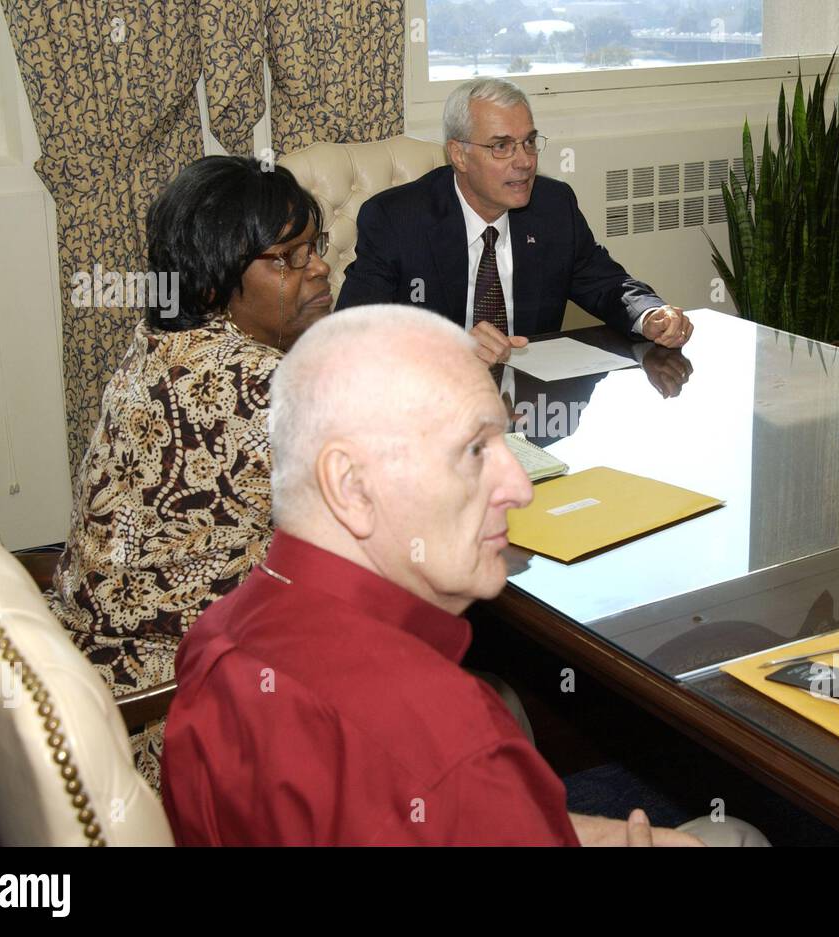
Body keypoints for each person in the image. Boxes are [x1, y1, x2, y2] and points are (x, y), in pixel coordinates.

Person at [161, 305, 767, 846]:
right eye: (475, 450)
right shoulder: (448, 741)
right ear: (350, 485)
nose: (520, 487)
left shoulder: (218, 639)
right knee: (734, 832)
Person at [48, 156, 333, 787]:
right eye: (287, 258)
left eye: (315, 247)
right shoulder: (265, 389)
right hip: (172, 709)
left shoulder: (160, 343)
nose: (317, 268)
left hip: (97, 663)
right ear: (211, 283)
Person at [334, 77, 693, 366]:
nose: (523, 161)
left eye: (529, 142)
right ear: (459, 154)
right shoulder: (396, 219)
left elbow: (607, 284)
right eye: (502, 146)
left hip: (535, 408)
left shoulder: (553, 207)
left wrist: (650, 314)